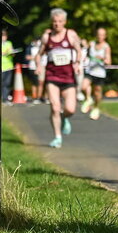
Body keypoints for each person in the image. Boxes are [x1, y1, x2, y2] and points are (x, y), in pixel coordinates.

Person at [33, 9, 81, 148]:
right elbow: (39, 54)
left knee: (70, 109)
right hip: (52, 76)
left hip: (68, 77)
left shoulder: (71, 35)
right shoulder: (46, 37)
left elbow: (78, 51)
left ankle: (64, 118)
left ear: (64, 22)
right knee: (55, 107)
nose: (57, 24)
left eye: (60, 21)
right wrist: (39, 66)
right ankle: (57, 137)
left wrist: (77, 64)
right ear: (51, 22)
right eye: (54, 21)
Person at [81, 27, 111, 120]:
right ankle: (88, 99)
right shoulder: (92, 44)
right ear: (96, 35)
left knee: (97, 92)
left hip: (100, 73)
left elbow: (109, 61)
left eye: (102, 35)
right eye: (98, 34)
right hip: (90, 71)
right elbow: (86, 53)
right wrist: (85, 57)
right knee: (83, 86)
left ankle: (96, 107)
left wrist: (102, 59)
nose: (100, 36)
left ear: (105, 36)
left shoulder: (106, 47)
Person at [25, 37, 44, 103]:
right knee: (34, 82)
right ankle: (34, 97)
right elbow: (27, 57)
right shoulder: (30, 48)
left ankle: (39, 97)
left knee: (40, 82)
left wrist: (35, 58)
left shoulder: (42, 48)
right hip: (32, 67)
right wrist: (36, 58)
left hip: (41, 67)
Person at [1, 30, 15, 103]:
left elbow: (12, 53)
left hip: (9, 66)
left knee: (7, 83)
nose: (4, 37)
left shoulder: (9, 43)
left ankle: (5, 98)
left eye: (5, 35)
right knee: (1, 83)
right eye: (3, 36)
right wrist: (5, 52)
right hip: (1, 67)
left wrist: (12, 52)